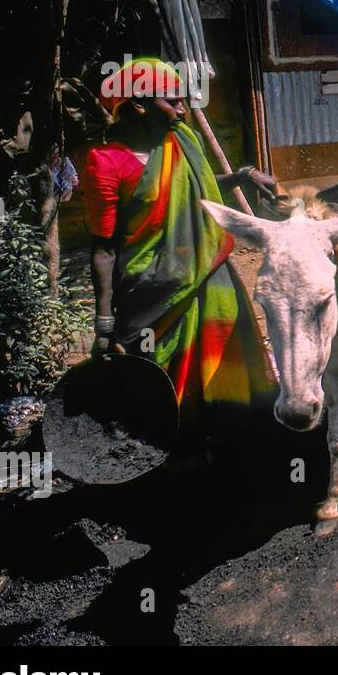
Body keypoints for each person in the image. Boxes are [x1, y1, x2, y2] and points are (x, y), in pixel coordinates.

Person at [83, 58, 279, 444]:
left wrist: (241, 176)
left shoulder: (181, 142)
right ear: (139, 104)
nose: (182, 109)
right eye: (173, 101)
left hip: (206, 270)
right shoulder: (105, 163)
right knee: (160, 372)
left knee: (221, 354)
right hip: (150, 289)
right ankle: (176, 444)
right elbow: (104, 248)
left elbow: (201, 190)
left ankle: (228, 433)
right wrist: (104, 323)